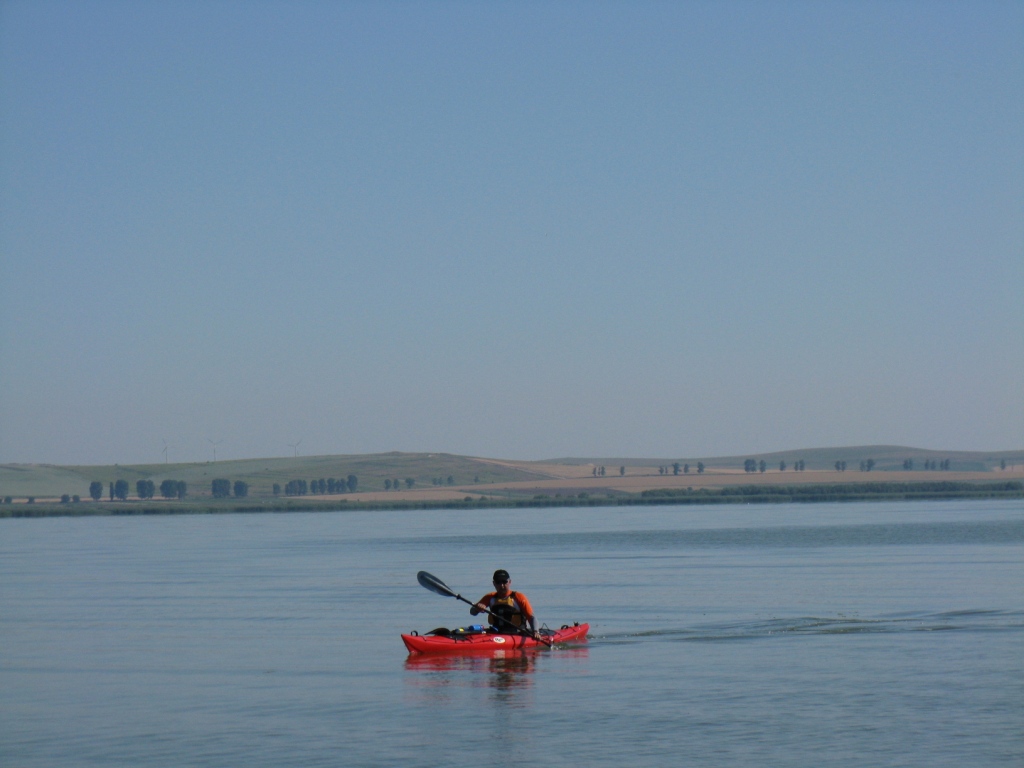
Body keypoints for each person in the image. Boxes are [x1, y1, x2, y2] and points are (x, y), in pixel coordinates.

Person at [470, 569, 540, 639]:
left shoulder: (519, 597)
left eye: (504, 582)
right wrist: (477, 609)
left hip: (517, 634)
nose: (502, 585)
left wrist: (535, 631)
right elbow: (472, 612)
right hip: (496, 633)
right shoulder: (490, 597)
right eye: (498, 582)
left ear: (509, 582)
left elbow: (532, 617)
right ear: (494, 583)